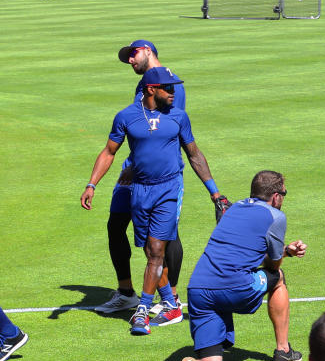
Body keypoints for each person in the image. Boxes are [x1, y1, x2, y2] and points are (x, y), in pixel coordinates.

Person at [82, 66, 224, 336]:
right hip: (140, 191)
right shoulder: (126, 117)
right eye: (168, 88)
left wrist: (214, 192)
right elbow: (109, 152)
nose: (173, 93)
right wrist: (92, 184)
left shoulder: (179, 117)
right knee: (149, 252)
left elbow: (194, 154)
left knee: (157, 251)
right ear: (150, 90)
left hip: (169, 190)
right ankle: (170, 304)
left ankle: (142, 312)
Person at [169, 170, 305, 361]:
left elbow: (243, 251)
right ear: (275, 196)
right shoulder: (275, 216)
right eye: (284, 193)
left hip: (198, 290)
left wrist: (285, 251)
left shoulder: (234, 209)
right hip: (235, 287)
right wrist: (286, 254)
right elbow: (272, 265)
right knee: (278, 278)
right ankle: (283, 352)